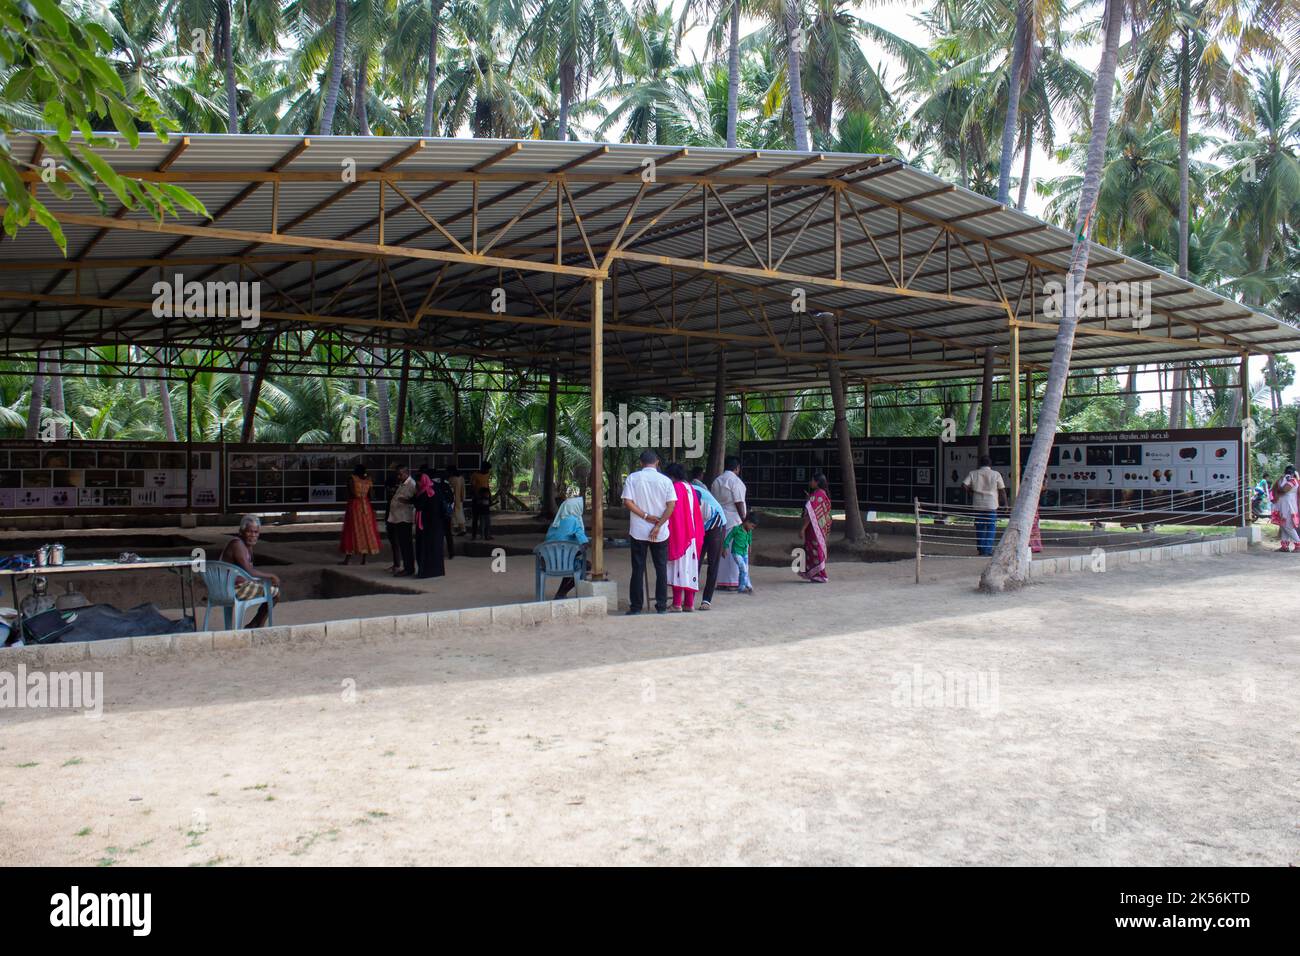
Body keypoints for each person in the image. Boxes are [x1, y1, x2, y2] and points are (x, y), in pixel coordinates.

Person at [621, 449, 676, 615]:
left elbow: (627, 502)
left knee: (637, 568)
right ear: (657, 462)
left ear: (640, 463)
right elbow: (671, 505)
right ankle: (661, 606)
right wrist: (658, 525)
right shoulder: (665, 480)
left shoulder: (633, 478)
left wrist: (644, 516)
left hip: (638, 530)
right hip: (660, 532)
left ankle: (636, 607)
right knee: (661, 569)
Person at [218, 514, 281, 628]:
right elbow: (249, 572)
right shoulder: (237, 544)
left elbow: (248, 572)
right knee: (275, 593)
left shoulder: (246, 546)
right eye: (249, 532)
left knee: (271, 589)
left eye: (256, 532)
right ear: (241, 532)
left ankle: (255, 624)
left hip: (232, 587)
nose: (253, 535)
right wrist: (271, 576)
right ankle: (257, 625)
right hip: (232, 589)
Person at [664, 463, 704, 612]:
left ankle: (676, 603)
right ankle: (689, 603)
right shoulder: (690, 488)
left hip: (682, 533)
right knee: (690, 569)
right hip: (693, 534)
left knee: (678, 568)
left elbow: (674, 512)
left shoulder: (676, 488)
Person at [689, 466, 727, 610]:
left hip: (715, 523)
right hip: (702, 525)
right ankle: (690, 598)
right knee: (695, 562)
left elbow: (703, 513)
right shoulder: (685, 490)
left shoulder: (691, 492)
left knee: (712, 562)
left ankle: (706, 600)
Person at [710, 456, 747, 590]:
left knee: (722, 549)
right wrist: (744, 519)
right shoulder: (735, 481)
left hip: (720, 519)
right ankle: (732, 581)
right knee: (734, 550)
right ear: (737, 468)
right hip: (734, 520)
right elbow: (739, 502)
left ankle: (721, 581)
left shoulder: (716, 481)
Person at [544, 495, 589, 599]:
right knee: (585, 566)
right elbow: (585, 544)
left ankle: (561, 593)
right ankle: (561, 592)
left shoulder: (555, 523)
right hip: (564, 562)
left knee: (570, 562)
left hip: (548, 563)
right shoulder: (575, 521)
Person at [963, 455, 1007, 557]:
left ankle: (981, 550)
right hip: (991, 504)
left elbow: (964, 485)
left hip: (978, 504)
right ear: (990, 464)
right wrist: (1005, 504)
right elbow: (1002, 490)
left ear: (979, 464)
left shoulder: (973, 473)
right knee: (991, 528)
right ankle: (987, 550)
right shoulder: (996, 474)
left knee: (980, 527)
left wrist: (971, 492)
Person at [339, 464, 381, 565]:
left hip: (354, 506)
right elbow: (371, 495)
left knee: (352, 530)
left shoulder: (352, 478)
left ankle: (347, 559)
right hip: (366, 507)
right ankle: (364, 559)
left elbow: (350, 493)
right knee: (366, 530)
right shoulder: (368, 480)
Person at [413, 468, 446, 578]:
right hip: (438, 524)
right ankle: (437, 571)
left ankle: (425, 572)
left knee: (424, 548)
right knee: (436, 548)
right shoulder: (435, 488)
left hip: (426, 525)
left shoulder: (423, 492)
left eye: (417, 482)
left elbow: (419, 506)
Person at [799, 472, 832, 583]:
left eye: (812, 480)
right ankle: (814, 574)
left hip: (814, 529)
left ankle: (820, 574)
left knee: (815, 549)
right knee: (813, 549)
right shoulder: (820, 494)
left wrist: (803, 529)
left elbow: (810, 514)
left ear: (817, 482)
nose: (810, 482)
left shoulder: (818, 495)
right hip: (819, 528)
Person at [387, 465, 416, 576]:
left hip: (405, 518)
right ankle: (407, 567)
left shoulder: (411, 484)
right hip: (398, 518)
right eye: (397, 474)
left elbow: (416, 500)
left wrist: (406, 501)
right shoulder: (403, 484)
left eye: (400, 474)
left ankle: (409, 568)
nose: (398, 476)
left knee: (406, 545)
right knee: (403, 544)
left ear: (406, 473)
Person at [725, 513, 759, 593]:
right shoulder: (736, 529)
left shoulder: (749, 531)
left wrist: (750, 546)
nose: (752, 528)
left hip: (744, 552)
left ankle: (745, 585)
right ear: (747, 522)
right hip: (736, 552)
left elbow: (749, 539)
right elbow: (728, 538)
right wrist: (724, 548)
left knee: (745, 569)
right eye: (752, 526)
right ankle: (743, 587)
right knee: (743, 568)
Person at [1270, 465, 1298, 552]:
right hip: (1282, 505)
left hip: (1289, 506)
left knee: (1288, 526)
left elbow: (1284, 490)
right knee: (1283, 526)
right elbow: (1274, 488)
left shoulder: (1293, 481)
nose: (1288, 474)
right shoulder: (1283, 479)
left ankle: (1298, 544)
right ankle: (1284, 546)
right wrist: (1281, 480)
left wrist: (1280, 485)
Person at [433, 468, 456, 560]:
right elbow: (452, 499)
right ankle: (451, 553)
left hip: (438, 514)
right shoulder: (446, 485)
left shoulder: (434, 486)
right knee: (448, 534)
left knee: (438, 535)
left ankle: (439, 553)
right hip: (446, 513)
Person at [447, 465, 467, 535]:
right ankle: (463, 529)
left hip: (452, 499)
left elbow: (450, 490)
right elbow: (463, 489)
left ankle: (452, 530)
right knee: (460, 513)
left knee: (451, 514)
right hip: (459, 499)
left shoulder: (451, 479)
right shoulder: (461, 478)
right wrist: (463, 497)